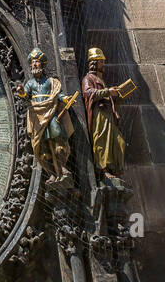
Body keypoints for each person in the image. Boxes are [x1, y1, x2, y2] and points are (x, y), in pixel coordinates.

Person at [17, 47, 74, 185]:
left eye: (37, 62)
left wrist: (65, 99)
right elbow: (26, 96)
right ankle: (52, 174)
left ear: (42, 65)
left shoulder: (50, 81)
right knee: (42, 147)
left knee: (58, 137)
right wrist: (21, 92)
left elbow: (57, 94)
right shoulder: (30, 83)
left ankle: (63, 168)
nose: (35, 64)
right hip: (37, 116)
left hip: (50, 112)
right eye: (33, 62)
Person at [82, 47, 128, 180]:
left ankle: (116, 169)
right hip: (100, 115)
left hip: (109, 114)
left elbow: (107, 96)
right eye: (101, 61)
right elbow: (88, 93)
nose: (104, 64)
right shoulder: (88, 78)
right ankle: (104, 170)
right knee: (102, 141)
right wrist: (107, 91)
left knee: (119, 142)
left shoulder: (101, 80)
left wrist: (118, 95)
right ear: (95, 63)